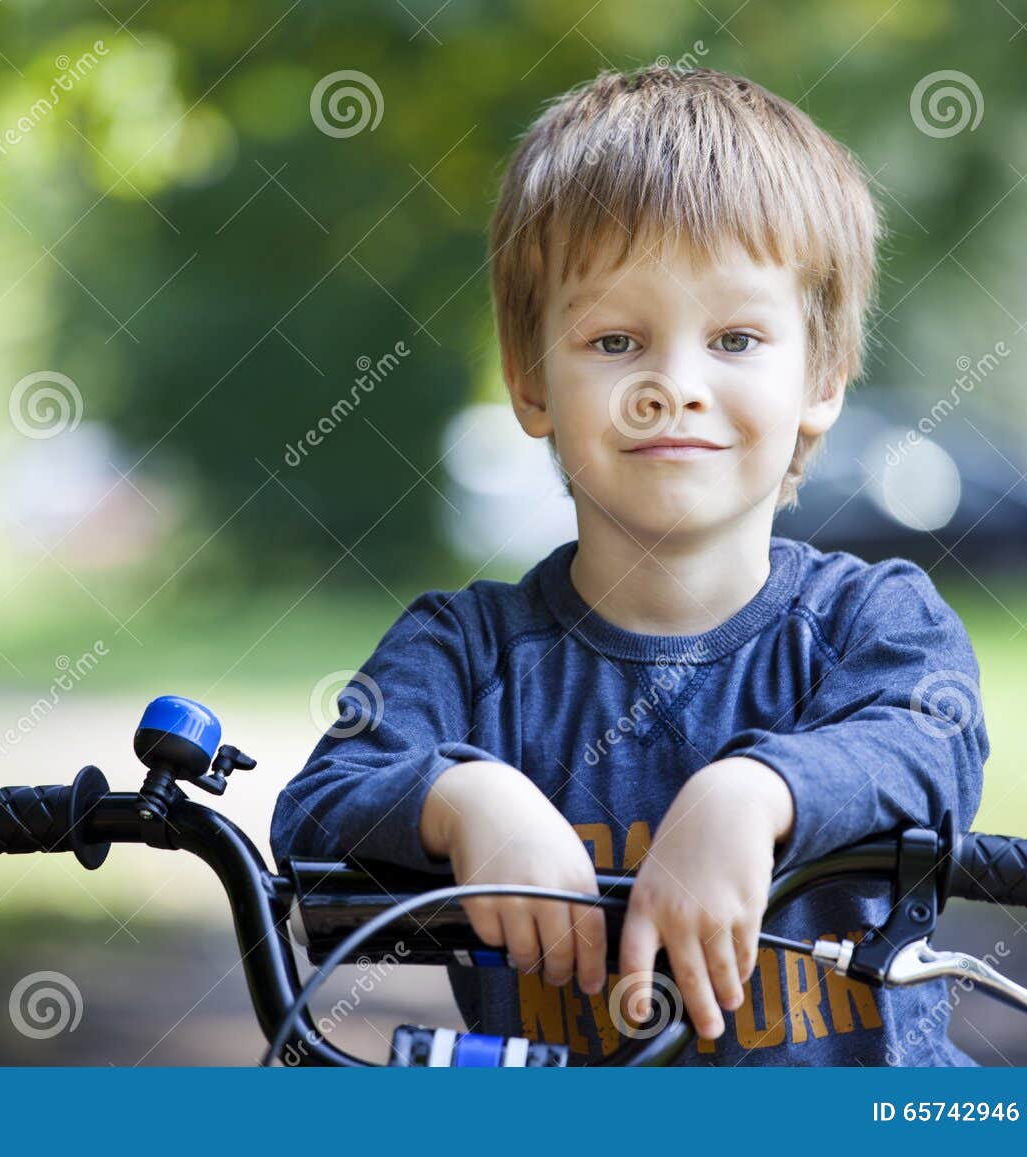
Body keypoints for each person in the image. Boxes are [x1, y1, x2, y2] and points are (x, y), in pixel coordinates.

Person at [271, 65, 987, 1065]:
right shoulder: (466, 652)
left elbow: (929, 744)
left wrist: (754, 791)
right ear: (529, 381)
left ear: (821, 376)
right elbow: (321, 800)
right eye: (616, 339)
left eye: (736, 337)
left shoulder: (874, 621)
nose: (674, 386)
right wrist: (468, 799)